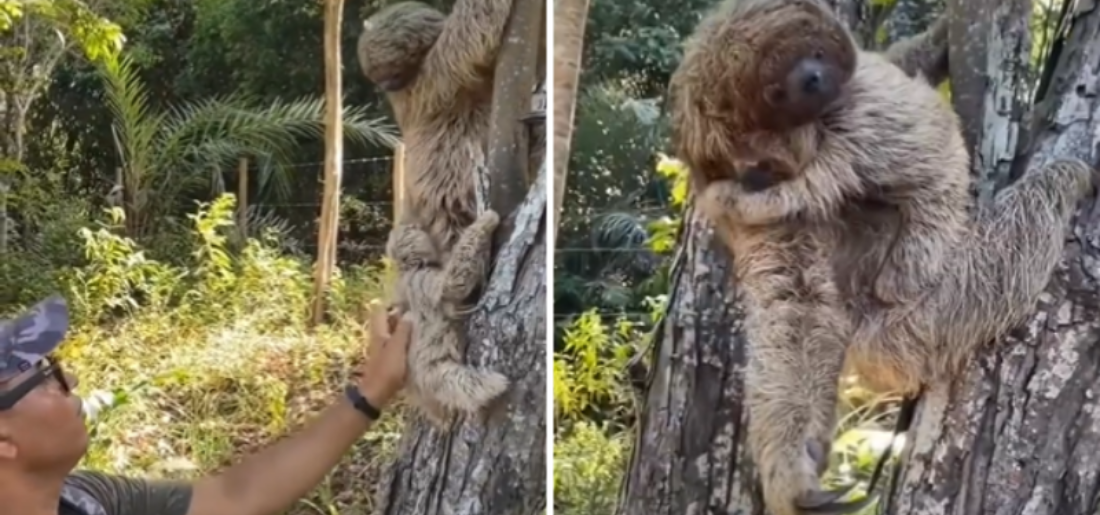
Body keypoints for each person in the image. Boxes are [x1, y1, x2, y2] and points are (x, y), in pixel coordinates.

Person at [0, 294, 413, 515]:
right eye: (46, 376)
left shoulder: (87, 499)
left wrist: (369, 393)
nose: (70, 380)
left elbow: (234, 497)